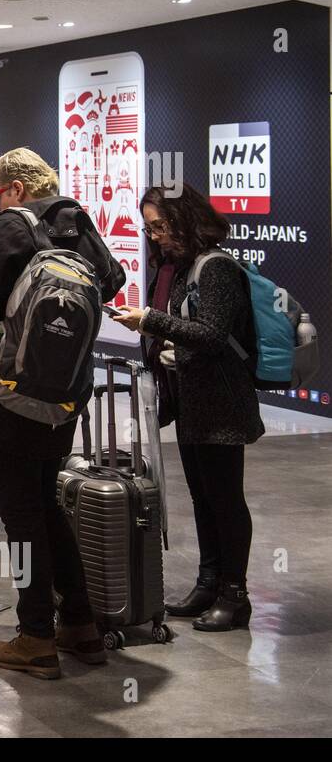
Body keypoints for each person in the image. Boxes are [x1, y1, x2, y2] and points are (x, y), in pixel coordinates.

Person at [0, 148, 124, 679]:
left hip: (7, 399)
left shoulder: (11, 229)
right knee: (46, 505)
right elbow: (109, 282)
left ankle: (36, 637)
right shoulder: (77, 222)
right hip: (62, 397)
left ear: (16, 188)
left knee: (22, 519)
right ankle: (81, 625)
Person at [113, 184, 263, 631]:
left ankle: (235, 596)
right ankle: (209, 582)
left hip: (221, 404)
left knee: (224, 499)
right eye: (149, 227)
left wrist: (150, 321)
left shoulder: (214, 267)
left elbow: (213, 334)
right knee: (203, 497)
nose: (154, 235)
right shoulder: (179, 268)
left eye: (160, 226)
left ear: (184, 218)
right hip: (194, 403)